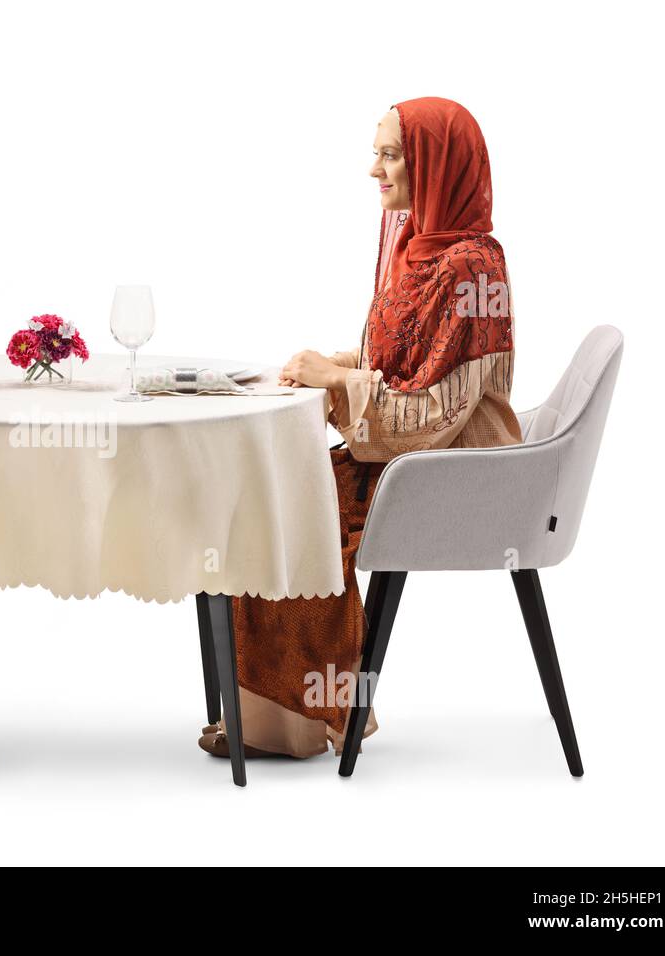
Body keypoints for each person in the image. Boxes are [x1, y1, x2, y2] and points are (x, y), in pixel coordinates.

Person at [200, 97, 522, 759]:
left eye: (390, 153)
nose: (373, 167)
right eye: (376, 150)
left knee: (293, 509)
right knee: (265, 496)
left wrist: (341, 385)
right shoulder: (411, 242)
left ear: (435, 164)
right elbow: (395, 364)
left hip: (448, 475)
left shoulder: (471, 270)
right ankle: (280, 715)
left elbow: (434, 417)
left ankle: (307, 716)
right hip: (399, 462)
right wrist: (331, 367)